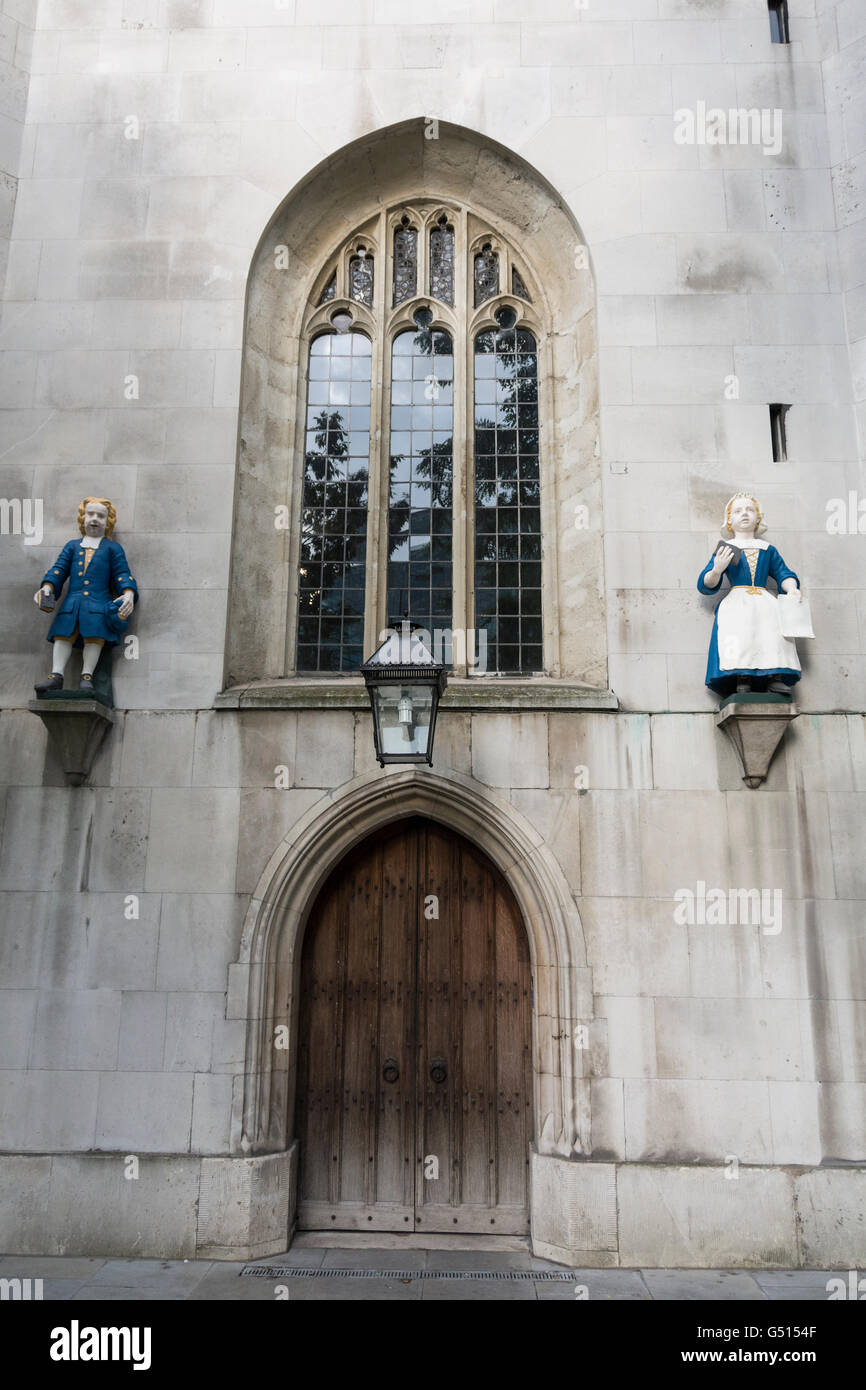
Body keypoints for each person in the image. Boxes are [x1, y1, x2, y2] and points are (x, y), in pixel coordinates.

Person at [697, 492, 802, 698]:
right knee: (739, 635)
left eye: (749, 510)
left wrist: (791, 588)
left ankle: (775, 677)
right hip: (738, 600)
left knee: (772, 635)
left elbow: (783, 573)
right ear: (729, 520)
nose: (744, 514)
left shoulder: (768, 549)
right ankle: (741, 677)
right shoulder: (727, 549)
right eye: (738, 511)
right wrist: (717, 570)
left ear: (758, 517)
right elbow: (706, 582)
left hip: (764, 600)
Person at [33, 497, 138, 693]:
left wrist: (129, 593)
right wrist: (47, 587)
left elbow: (122, 573)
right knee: (63, 635)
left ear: (108, 521)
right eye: (90, 514)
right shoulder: (72, 546)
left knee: (94, 636)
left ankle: (86, 676)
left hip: (98, 603)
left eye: (100, 515)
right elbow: (59, 569)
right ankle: (56, 675)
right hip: (73, 602)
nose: (94, 519)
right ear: (83, 517)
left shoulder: (112, 548)